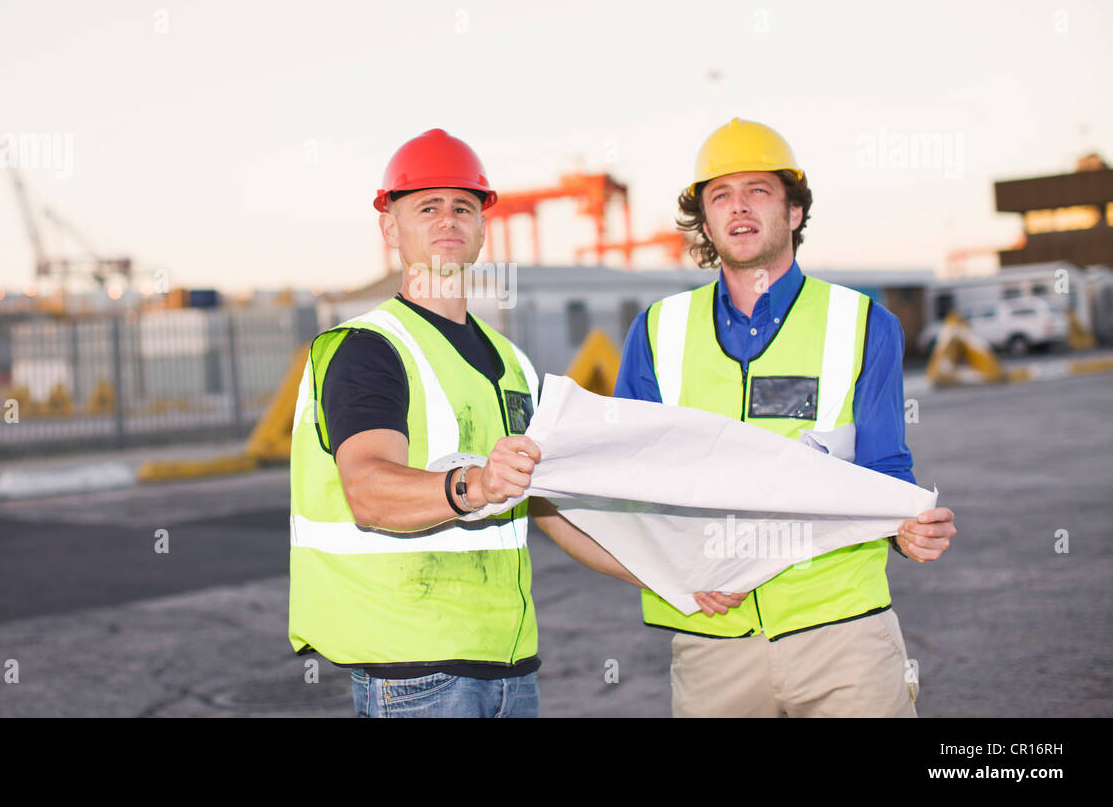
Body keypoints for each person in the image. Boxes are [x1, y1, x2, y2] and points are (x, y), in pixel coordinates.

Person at [614, 117, 957, 717]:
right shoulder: (657, 331)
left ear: (794, 212)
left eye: (759, 191)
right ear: (706, 220)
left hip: (841, 632)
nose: (738, 207)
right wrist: (672, 568)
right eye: (720, 195)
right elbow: (624, 483)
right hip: (711, 640)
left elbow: (884, 467)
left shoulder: (863, 324)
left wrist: (910, 530)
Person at [289, 128, 635, 718]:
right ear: (390, 227)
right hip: (414, 668)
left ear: (481, 228)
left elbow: (547, 508)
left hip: (506, 664)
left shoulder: (512, 364)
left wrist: (669, 579)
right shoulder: (369, 349)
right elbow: (369, 491)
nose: (448, 219)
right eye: (427, 206)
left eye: (463, 206)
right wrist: (476, 485)